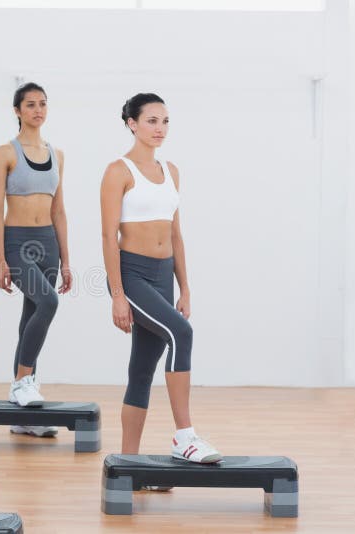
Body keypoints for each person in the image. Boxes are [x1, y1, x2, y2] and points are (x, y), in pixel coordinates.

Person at [100, 92, 222, 465]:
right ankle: (185, 437)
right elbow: (108, 237)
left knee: (141, 370)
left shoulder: (172, 172)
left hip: (162, 277)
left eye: (165, 121)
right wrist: (118, 295)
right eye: (152, 120)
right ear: (132, 124)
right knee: (181, 334)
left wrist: (185, 287)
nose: (160, 128)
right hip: (132, 275)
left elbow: (176, 235)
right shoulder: (118, 171)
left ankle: (127, 465)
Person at [0, 82, 71, 437]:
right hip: (18, 242)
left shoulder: (58, 154)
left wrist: (66, 260)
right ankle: (23, 382)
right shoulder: (4, 153)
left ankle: (23, 417)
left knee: (31, 315)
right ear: (17, 111)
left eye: (42, 104)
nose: (38, 110)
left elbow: (60, 210)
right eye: (30, 105)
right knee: (47, 302)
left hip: (48, 243)